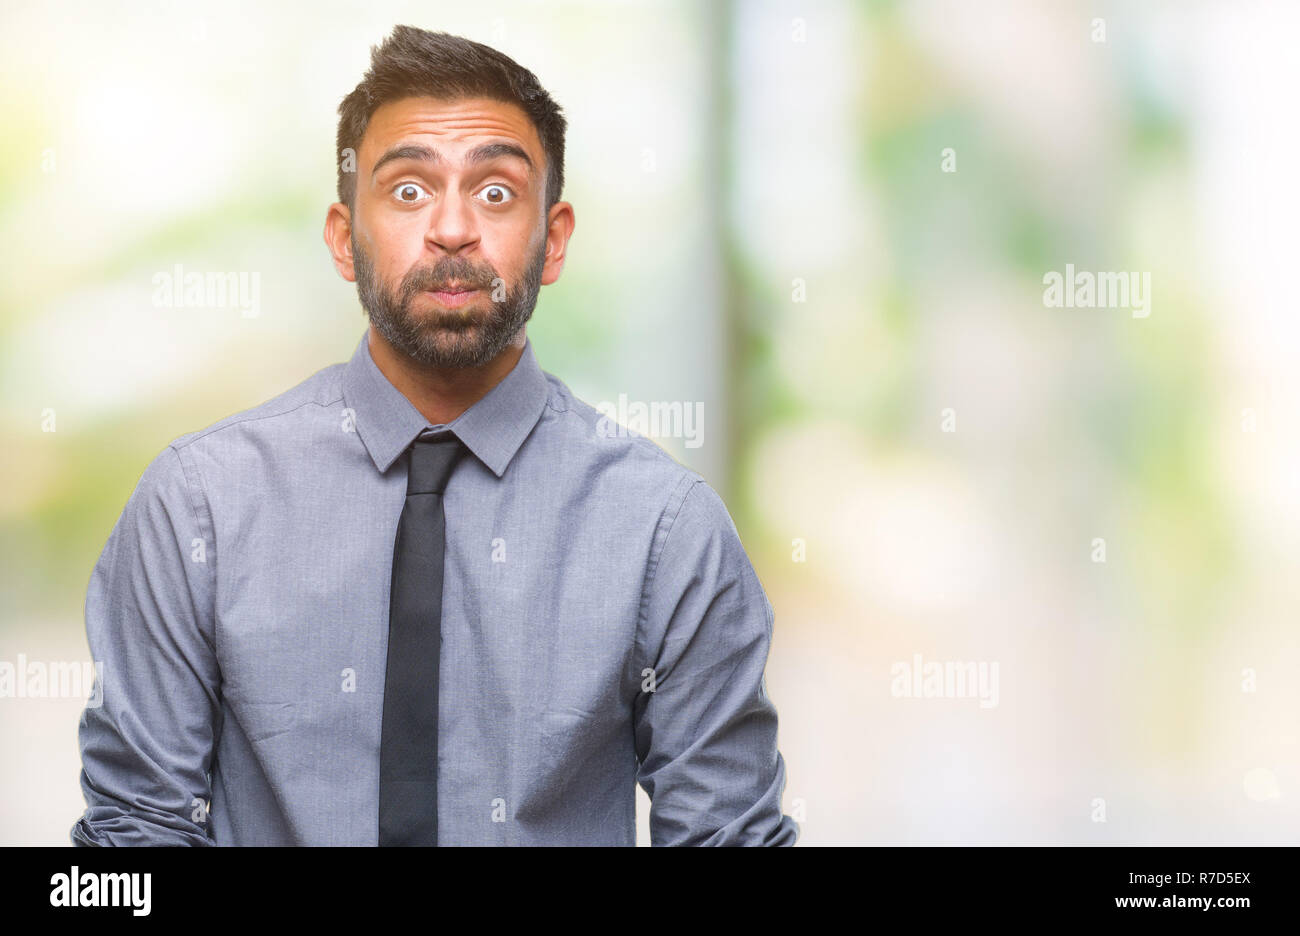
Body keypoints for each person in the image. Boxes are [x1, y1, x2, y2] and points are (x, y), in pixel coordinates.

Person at [71, 25, 797, 846]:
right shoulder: (197, 507)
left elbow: (727, 837)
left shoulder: (666, 533)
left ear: (552, 241)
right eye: (409, 190)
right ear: (347, 240)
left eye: (495, 192)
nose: (453, 228)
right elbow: (135, 840)